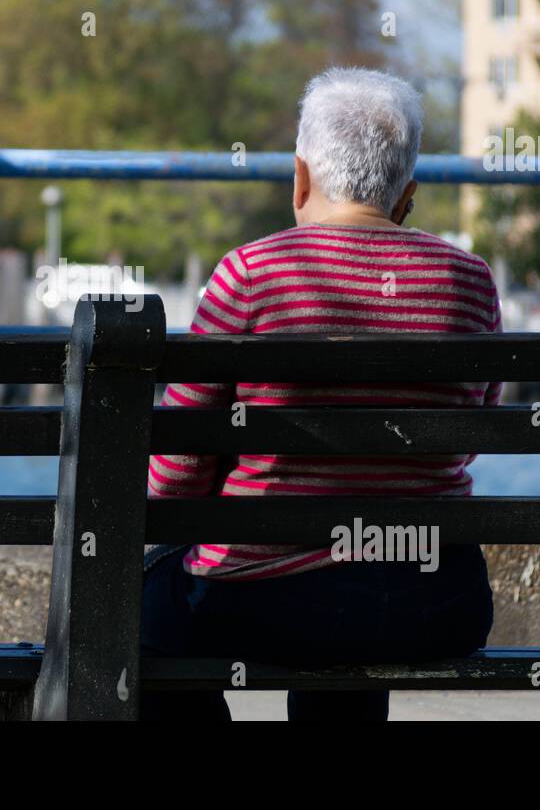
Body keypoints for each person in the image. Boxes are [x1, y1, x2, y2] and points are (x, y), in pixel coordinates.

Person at [142, 67, 500, 721]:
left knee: (138, 610)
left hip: (271, 599)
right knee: (356, 600)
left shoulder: (251, 274)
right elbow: (471, 434)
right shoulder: (471, 281)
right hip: (439, 599)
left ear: (300, 178)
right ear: (407, 196)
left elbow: (177, 473)